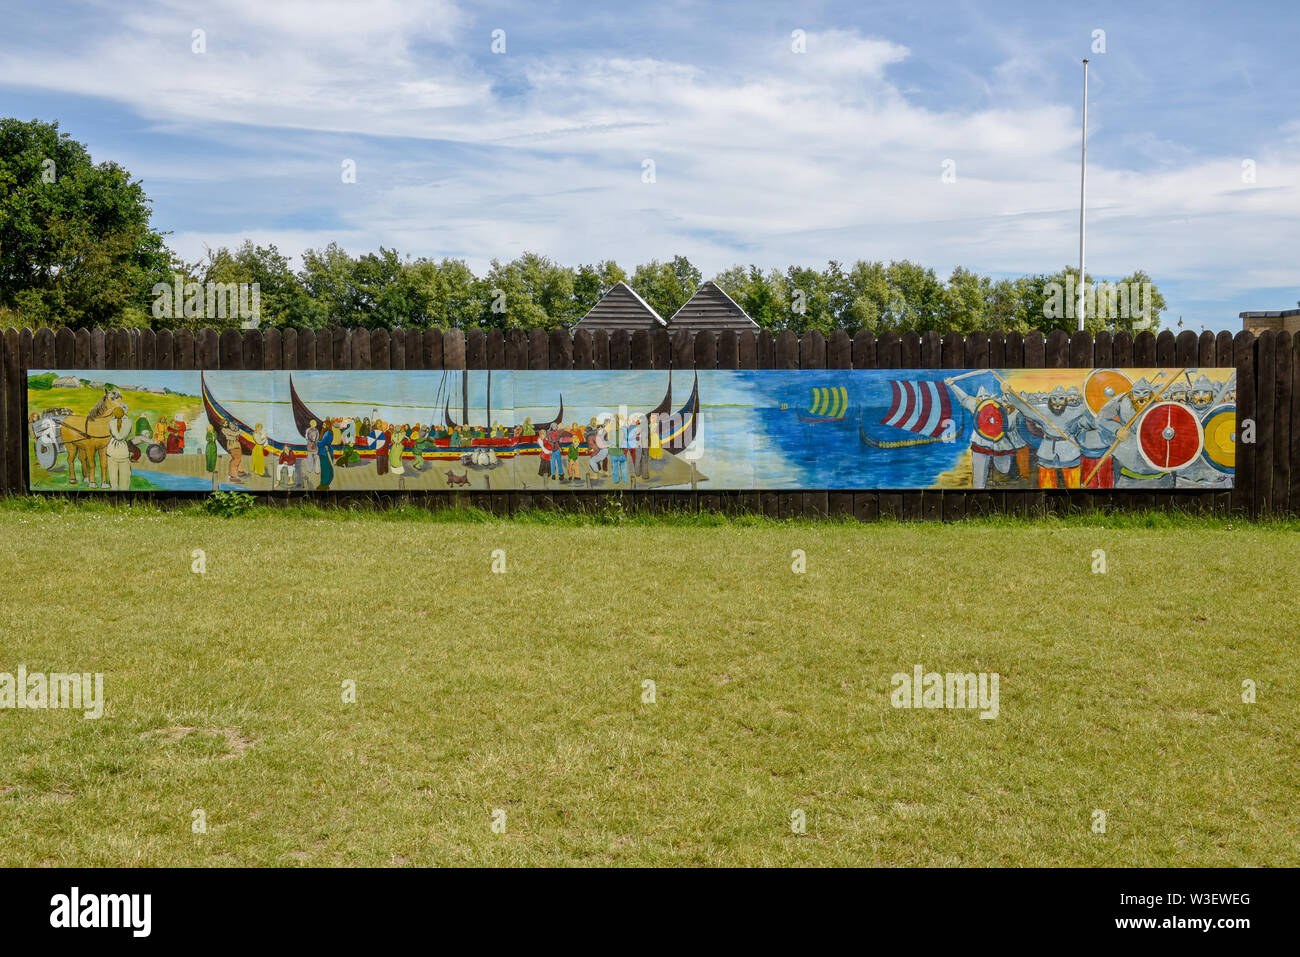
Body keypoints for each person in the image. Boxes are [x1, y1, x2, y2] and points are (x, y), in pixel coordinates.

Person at [106, 406, 132, 490]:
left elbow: (115, 435)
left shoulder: (111, 422)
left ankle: (114, 489)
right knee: (125, 478)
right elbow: (123, 436)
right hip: (123, 451)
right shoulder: (129, 422)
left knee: (113, 477)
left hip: (112, 450)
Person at [317, 421, 336, 491]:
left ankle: (323, 485)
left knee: (325, 469)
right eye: (323, 425)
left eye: (324, 425)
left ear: (328, 425)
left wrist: (317, 441)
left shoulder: (327, 432)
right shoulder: (328, 432)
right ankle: (326, 484)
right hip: (328, 452)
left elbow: (321, 443)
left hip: (325, 453)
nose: (323, 426)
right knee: (328, 468)